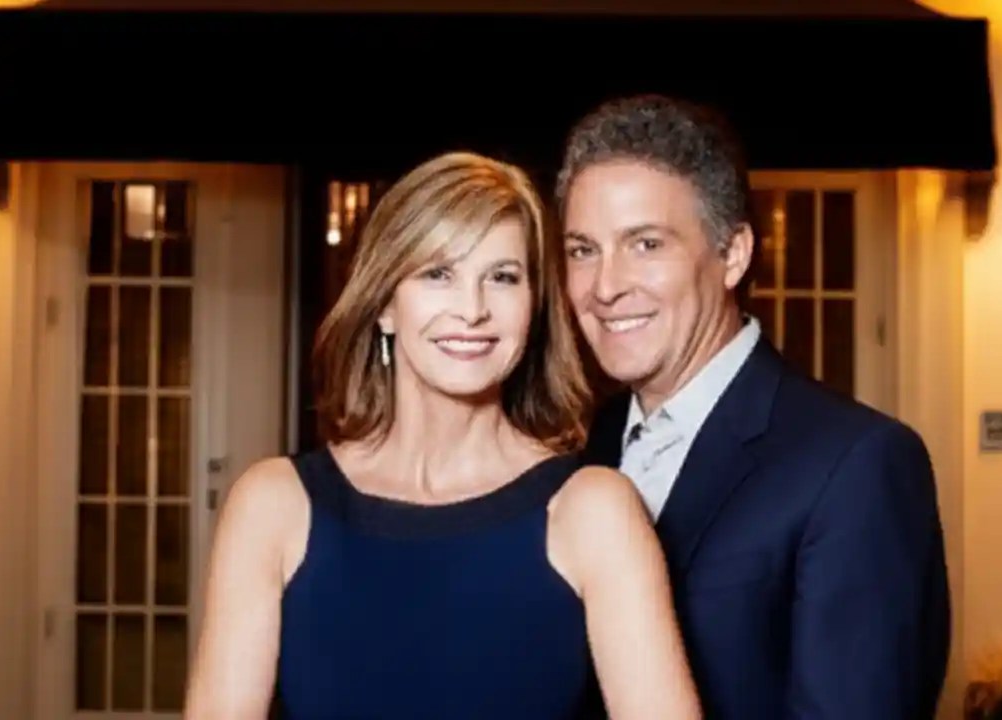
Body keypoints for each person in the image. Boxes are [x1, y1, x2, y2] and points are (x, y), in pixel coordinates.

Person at [183, 150, 701, 719]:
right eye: (438, 274)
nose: (472, 310)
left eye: (502, 277)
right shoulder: (273, 506)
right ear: (384, 305)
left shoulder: (593, 512)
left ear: (533, 308)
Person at [557, 94, 951, 719]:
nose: (605, 287)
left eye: (646, 244)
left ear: (733, 254)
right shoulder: (584, 447)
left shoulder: (857, 465)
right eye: (583, 250)